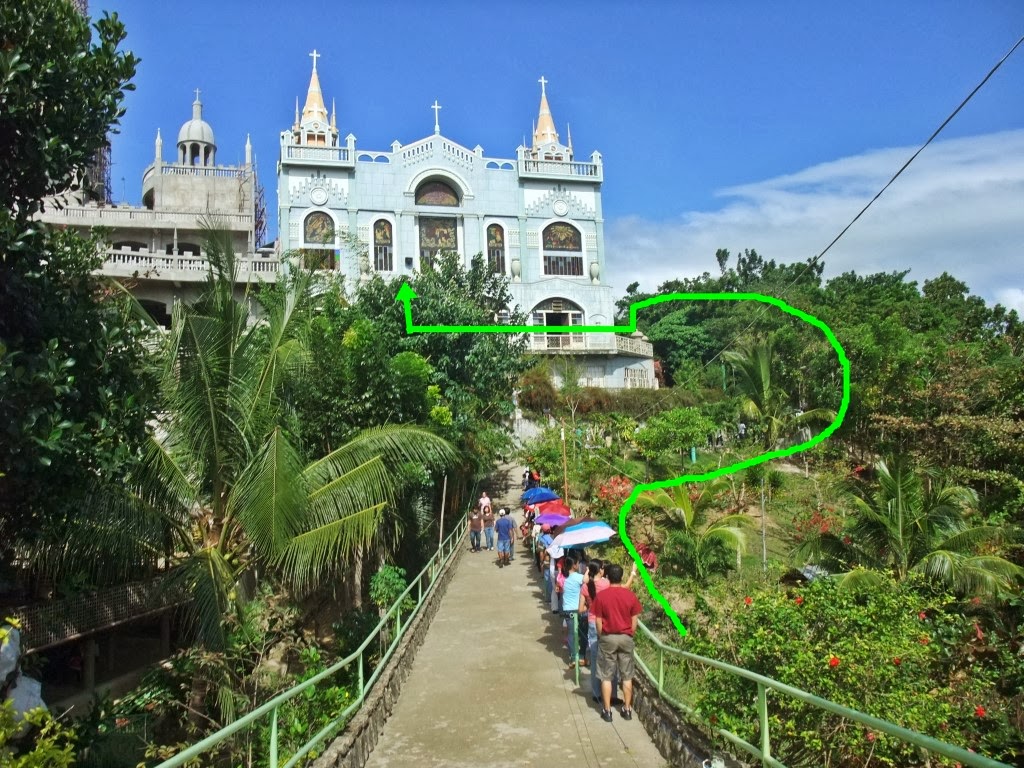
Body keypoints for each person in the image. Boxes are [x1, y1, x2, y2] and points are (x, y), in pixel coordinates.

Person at [591, 563, 642, 723]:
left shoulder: (602, 596)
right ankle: (627, 709)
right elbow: (635, 620)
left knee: (606, 676)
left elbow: (598, 621)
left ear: (607, 576)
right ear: (621, 577)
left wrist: (602, 635)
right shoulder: (630, 595)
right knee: (627, 675)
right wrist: (630, 634)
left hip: (607, 637)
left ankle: (607, 711)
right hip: (626, 637)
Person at [561, 556, 586, 669]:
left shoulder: (565, 578)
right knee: (582, 633)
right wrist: (588, 570)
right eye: (578, 563)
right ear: (574, 565)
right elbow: (586, 580)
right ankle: (580, 656)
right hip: (575, 609)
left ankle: (572, 657)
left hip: (567, 610)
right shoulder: (577, 577)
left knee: (571, 634)